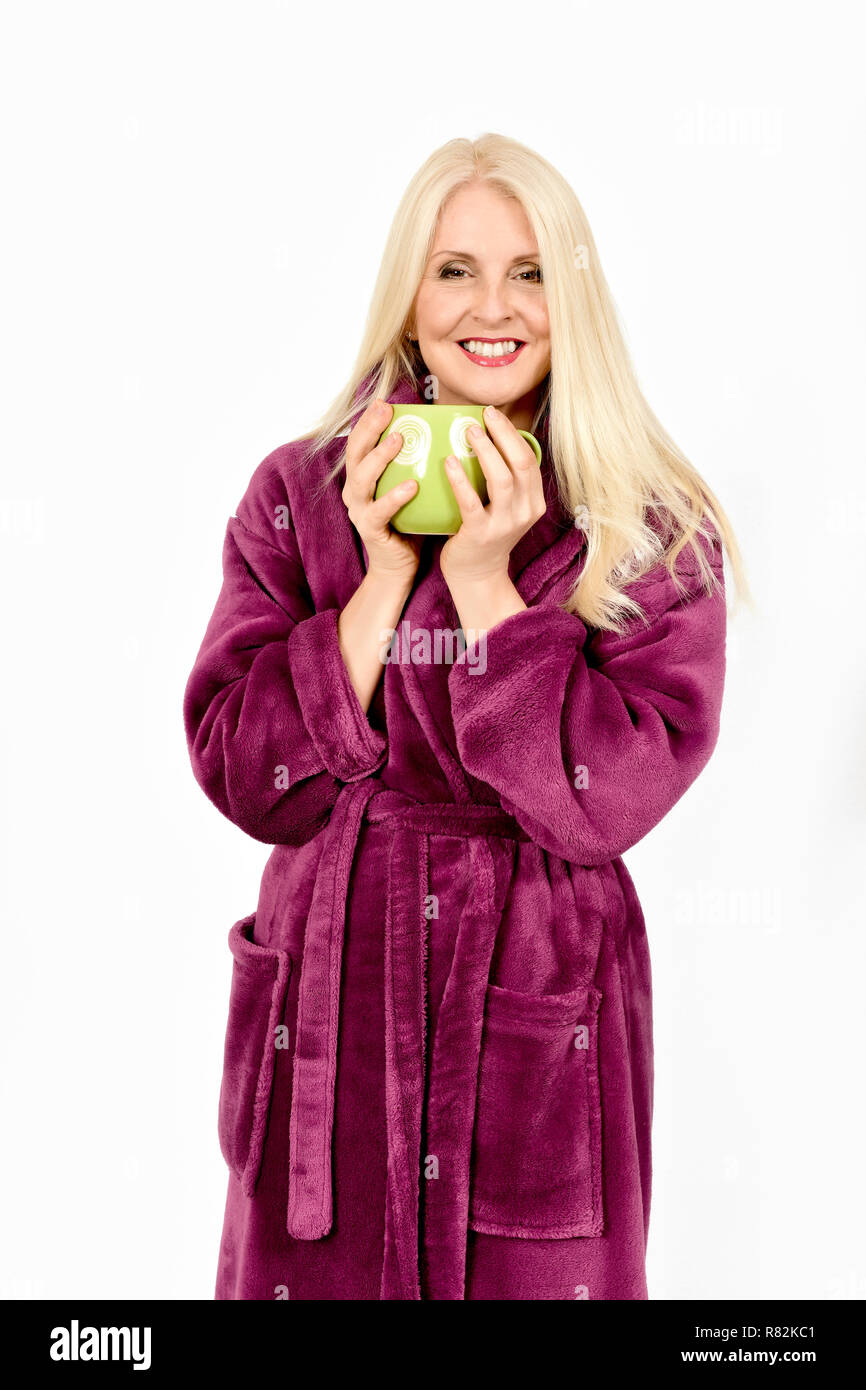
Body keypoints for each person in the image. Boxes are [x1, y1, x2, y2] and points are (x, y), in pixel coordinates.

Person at [183, 132, 747, 1301]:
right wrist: (381, 576)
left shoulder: (645, 520)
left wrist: (490, 590)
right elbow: (241, 773)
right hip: (332, 1006)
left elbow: (613, 798)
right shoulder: (300, 494)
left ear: (571, 295)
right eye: (455, 269)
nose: (492, 306)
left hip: (536, 1014)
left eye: (531, 271)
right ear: (408, 291)